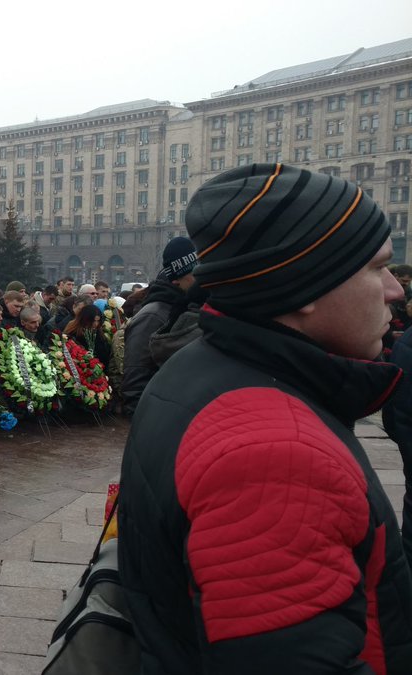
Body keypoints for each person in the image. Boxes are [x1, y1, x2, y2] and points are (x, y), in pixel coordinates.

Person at [120, 163, 412, 673]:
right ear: (304, 285)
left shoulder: (200, 363)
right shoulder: (278, 459)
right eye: (376, 268)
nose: (395, 291)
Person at [120, 236, 198, 417]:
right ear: (177, 279)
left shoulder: (185, 307)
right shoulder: (152, 316)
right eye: (196, 273)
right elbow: (134, 382)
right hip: (161, 419)